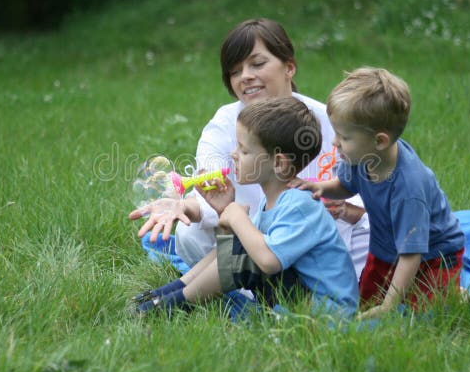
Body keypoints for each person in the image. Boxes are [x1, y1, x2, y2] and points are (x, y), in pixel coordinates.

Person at [130, 18, 369, 278]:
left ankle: (241, 288)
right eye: (235, 71)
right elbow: (208, 191)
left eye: (257, 64)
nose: (245, 76)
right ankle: (244, 285)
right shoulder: (223, 126)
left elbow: (368, 199)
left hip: (320, 242)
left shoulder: (328, 121)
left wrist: (344, 209)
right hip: (250, 239)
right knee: (189, 234)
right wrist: (184, 206)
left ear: (289, 67)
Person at [132, 97, 359, 319]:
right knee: (243, 247)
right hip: (300, 299)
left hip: (328, 313)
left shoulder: (299, 205)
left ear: (279, 163)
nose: (234, 155)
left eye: (244, 150)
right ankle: (166, 295)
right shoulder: (272, 201)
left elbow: (268, 261)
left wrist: (237, 218)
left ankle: (170, 307)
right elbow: (231, 252)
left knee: (248, 254)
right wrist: (226, 211)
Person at [297, 67, 465, 320]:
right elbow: (347, 185)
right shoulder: (361, 157)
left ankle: (455, 293)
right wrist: (323, 188)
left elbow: (411, 255)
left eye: (344, 136)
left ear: (380, 141)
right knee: (363, 305)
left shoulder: (409, 189)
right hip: (385, 245)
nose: (334, 143)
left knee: (421, 316)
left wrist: (389, 305)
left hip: (432, 255)